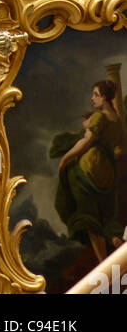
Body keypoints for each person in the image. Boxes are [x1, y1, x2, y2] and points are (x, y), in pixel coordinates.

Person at [52, 78, 124, 263]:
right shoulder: (117, 120)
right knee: (102, 214)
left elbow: (86, 142)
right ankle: (114, 240)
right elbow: (116, 147)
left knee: (87, 216)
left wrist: (66, 158)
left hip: (90, 169)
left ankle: (103, 262)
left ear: (106, 98)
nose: (93, 99)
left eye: (96, 95)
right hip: (108, 173)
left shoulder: (99, 117)